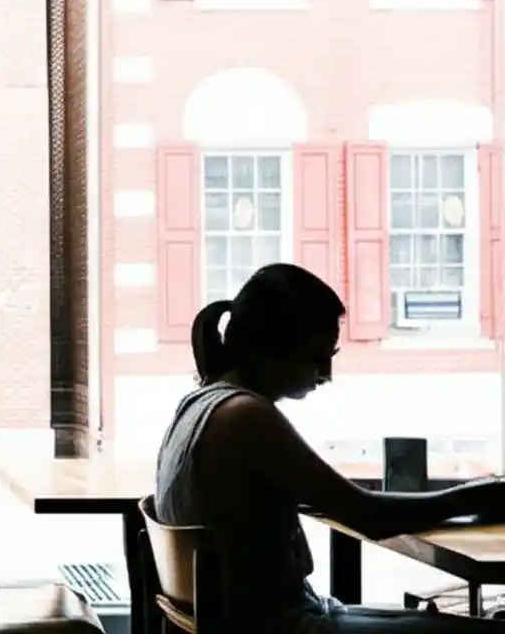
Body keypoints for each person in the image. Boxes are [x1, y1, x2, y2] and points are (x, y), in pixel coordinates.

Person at [156, 262, 505, 632]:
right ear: (270, 348)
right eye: (316, 358)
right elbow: (369, 516)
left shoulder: (197, 407)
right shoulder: (246, 417)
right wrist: (472, 499)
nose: (326, 374)